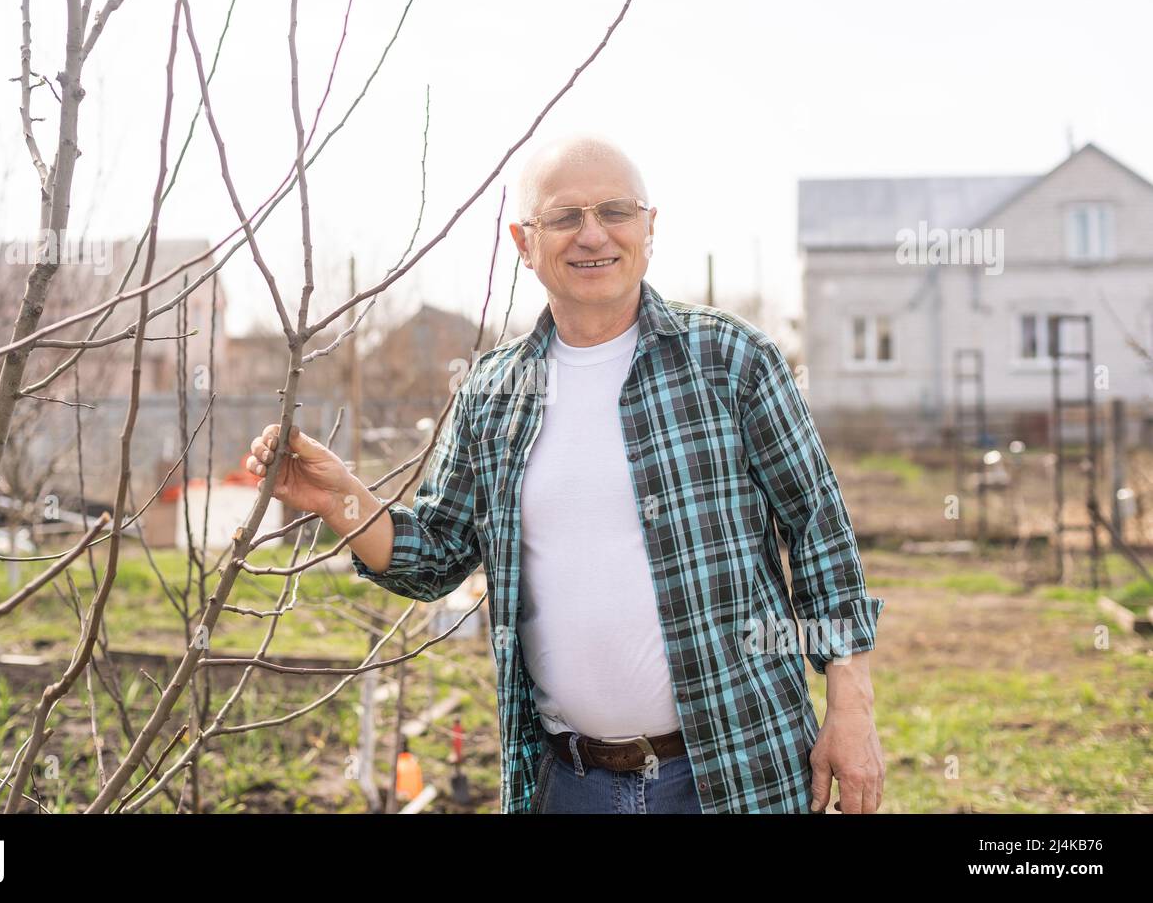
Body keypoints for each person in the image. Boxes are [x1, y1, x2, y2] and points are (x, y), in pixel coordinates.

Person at [244, 133, 885, 814]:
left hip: (734, 772)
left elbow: (819, 529)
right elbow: (435, 555)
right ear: (525, 243)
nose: (592, 235)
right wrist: (340, 499)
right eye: (564, 217)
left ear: (649, 226)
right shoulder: (492, 395)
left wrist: (852, 707)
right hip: (570, 782)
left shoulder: (731, 360)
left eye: (614, 211)